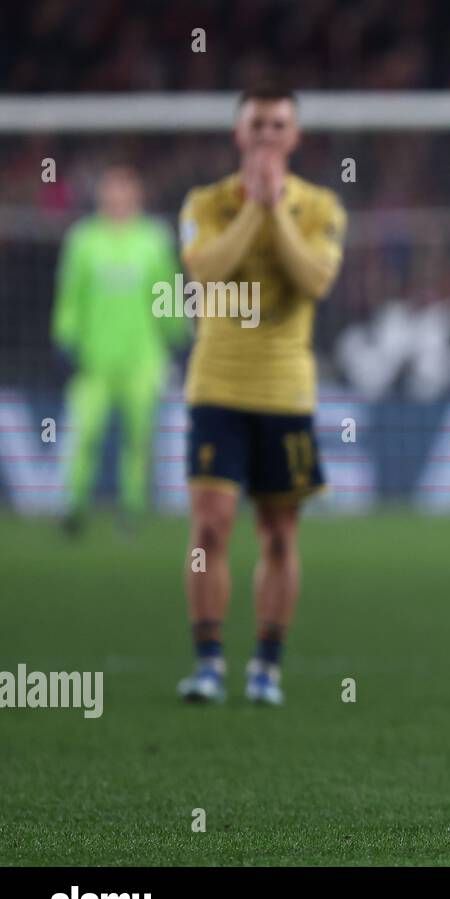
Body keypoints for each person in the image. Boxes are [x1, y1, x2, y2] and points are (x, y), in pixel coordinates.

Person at [176, 85, 346, 706]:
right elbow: (206, 271)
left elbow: (314, 279)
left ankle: (267, 668)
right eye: (258, 125)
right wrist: (255, 205)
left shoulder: (320, 206)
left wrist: (275, 209)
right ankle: (209, 663)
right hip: (217, 387)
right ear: (238, 134)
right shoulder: (207, 202)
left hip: (286, 394)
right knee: (211, 527)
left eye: (280, 125)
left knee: (278, 535)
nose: (269, 135)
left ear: (294, 136)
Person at [51, 166, 187, 534]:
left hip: (143, 359)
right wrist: (65, 339)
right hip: (93, 361)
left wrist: (178, 337)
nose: (117, 198)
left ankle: (131, 511)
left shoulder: (154, 240)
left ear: (137, 195)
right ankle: (73, 508)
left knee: (139, 438)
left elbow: (168, 295)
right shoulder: (83, 240)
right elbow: (69, 298)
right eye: (111, 190)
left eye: (124, 190)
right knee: (84, 433)